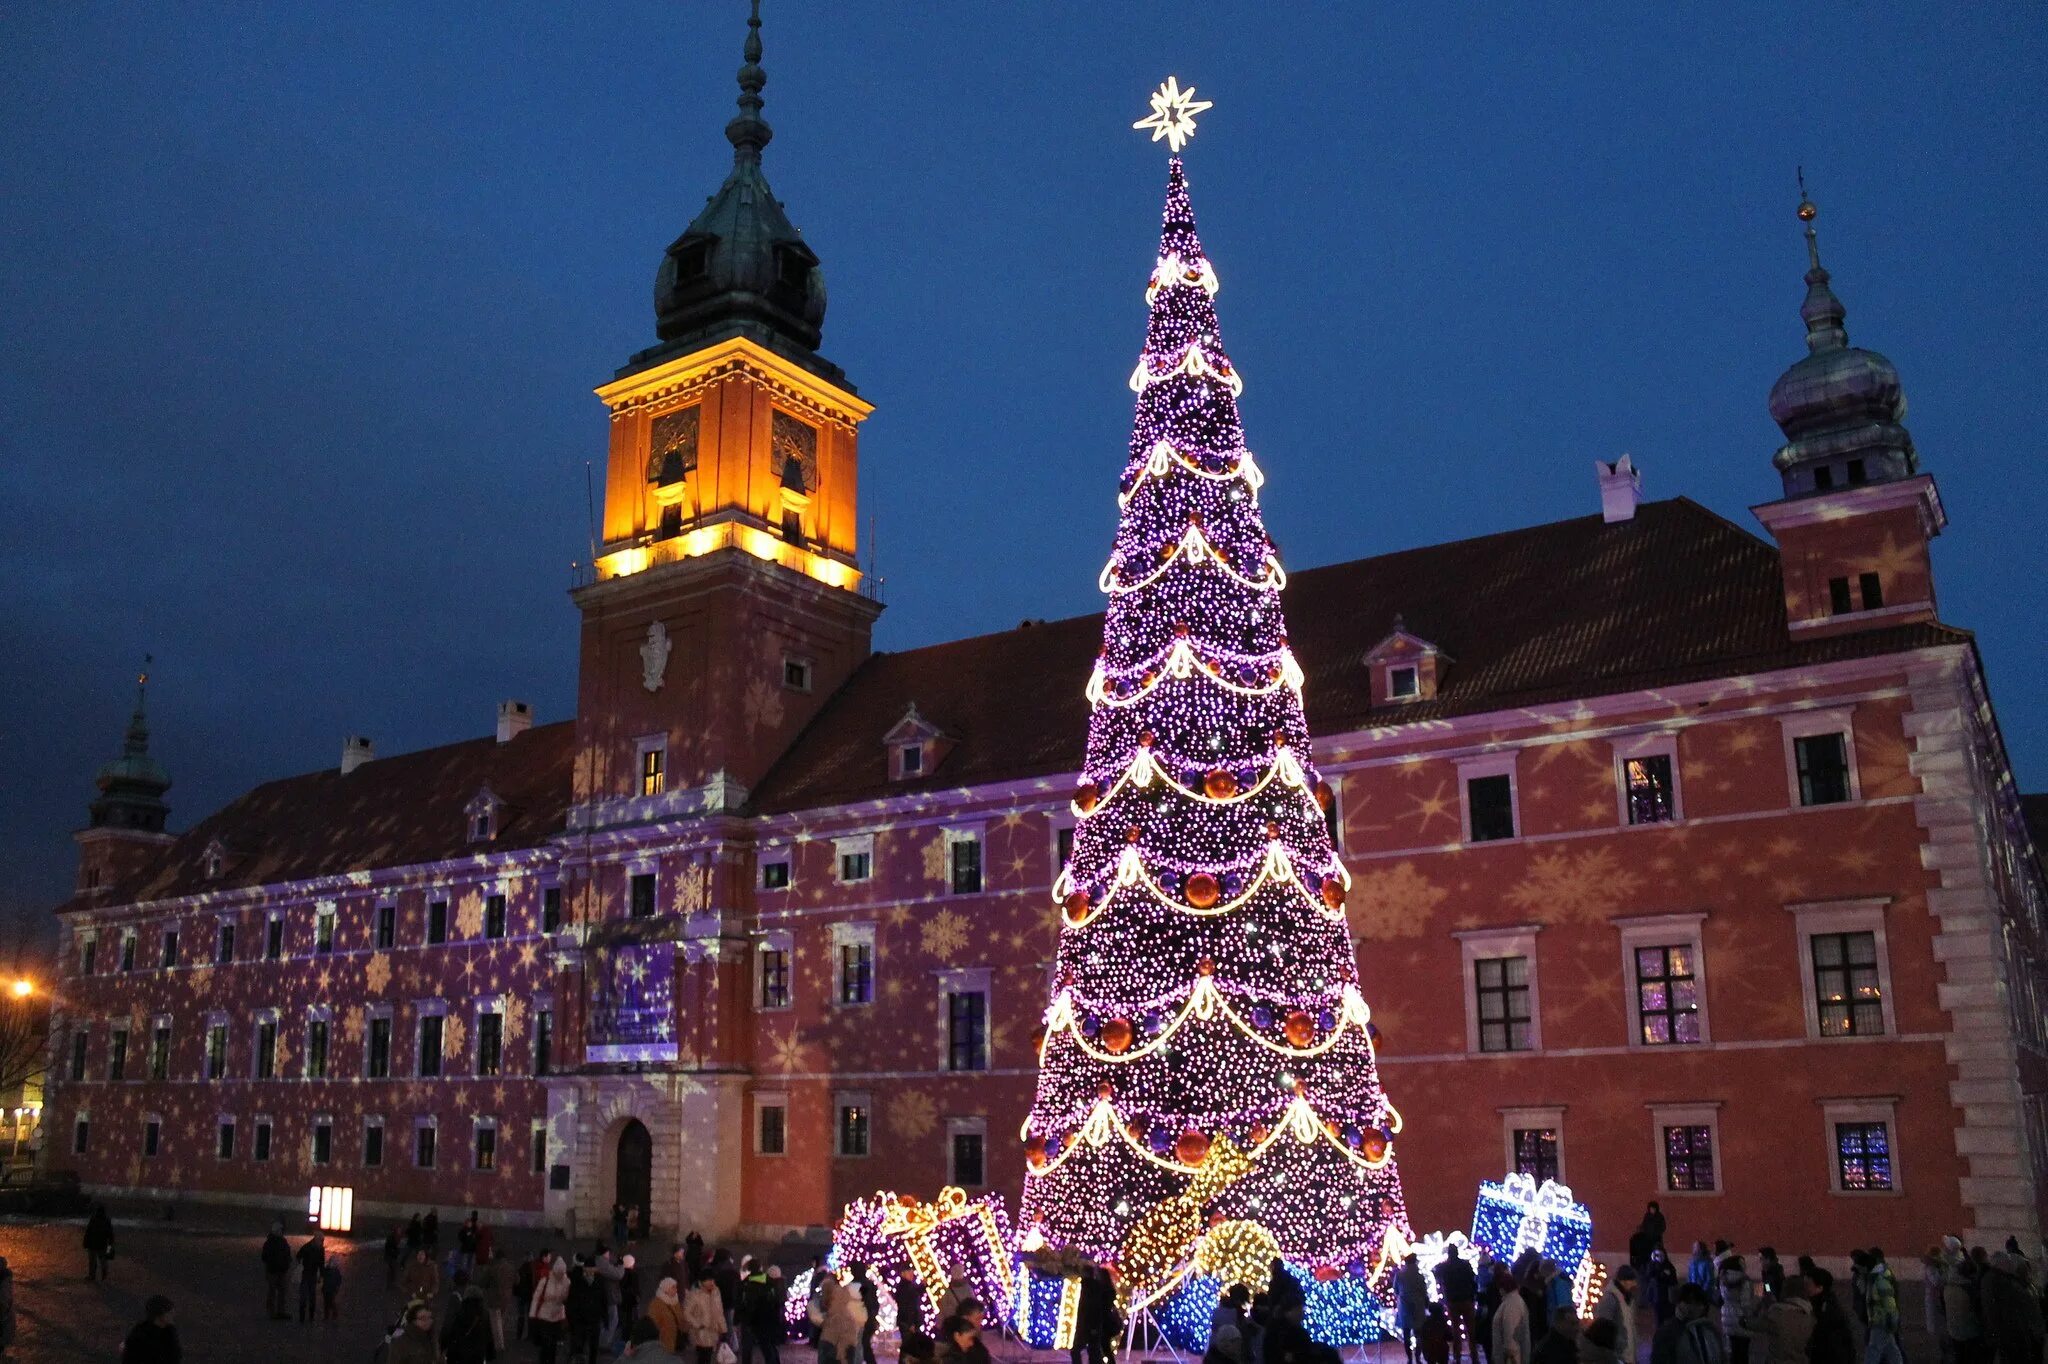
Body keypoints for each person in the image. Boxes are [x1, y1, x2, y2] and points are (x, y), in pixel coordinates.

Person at [1980, 1252, 2044, 1364]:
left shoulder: (1995, 1279)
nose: (2010, 1264)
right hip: (2013, 1333)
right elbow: (2019, 1307)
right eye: (2008, 1262)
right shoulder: (2004, 1282)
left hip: (2011, 1333)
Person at [1649, 1284, 1721, 1364]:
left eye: (1697, 1303)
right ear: (1679, 1303)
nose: (1692, 1307)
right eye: (1688, 1302)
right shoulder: (1667, 1332)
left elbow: (1720, 1357)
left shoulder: (1710, 1330)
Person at [1439, 1250, 1480, 1364]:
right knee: (1471, 1330)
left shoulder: (1444, 1267)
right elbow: (1473, 1280)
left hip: (1452, 1302)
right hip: (1467, 1300)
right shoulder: (1465, 1264)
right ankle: (1474, 1357)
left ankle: (1457, 1358)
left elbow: (1439, 1276)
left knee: (1455, 1331)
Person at [1804, 1272, 1853, 1364]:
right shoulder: (1821, 1303)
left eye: (1808, 1284)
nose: (1805, 1288)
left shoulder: (1827, 1309)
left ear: (1820, 1287)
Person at [443, 1278, 495, 1364]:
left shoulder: (461, 1311)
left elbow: (452, 1332)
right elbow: (488, 1334)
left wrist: (446, 1350)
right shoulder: (484, 1313)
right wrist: (490, 1354)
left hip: (461, 1353)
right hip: (478, 1353)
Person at [740, 1265, 786, 1364]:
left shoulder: (768, 1286)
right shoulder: (779, 1285)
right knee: (770, 1347)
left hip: (765, 1321)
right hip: (772, 1321)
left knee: (767, 1347)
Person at [1594, 1265, 1639, 1364]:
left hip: (1628, 1354)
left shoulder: (1628, 1297)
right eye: (1632, 1281)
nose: (1635, 1284)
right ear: (1623, 1281)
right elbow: (1602, 1330)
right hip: (1618, 1356)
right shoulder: (1610, 1299)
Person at [569, 1259, 610, 1364]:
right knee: (581, 1345)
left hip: (593, 1318)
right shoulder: (579, 1281)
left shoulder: (599, 1280)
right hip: (582, 1319)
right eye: (589, 1268)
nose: (591, 1270)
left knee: (593, 1346)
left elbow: (603, 1299)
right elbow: (573, 1301)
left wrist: (605, 1318)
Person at [531, 1256, 571, 1364]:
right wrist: (533, 1315)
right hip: (544, 1316)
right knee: (546, 1344)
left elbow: (567, 1299)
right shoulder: (546, 1280)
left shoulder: (566, 1282)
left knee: (553, 1344)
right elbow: (536, 1297)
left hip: (557, 1317)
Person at [120, 1295, 182, 1364]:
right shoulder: (140, 1334)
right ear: (160, 1314)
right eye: (169, 1312)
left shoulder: (170, 1332)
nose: (173, 1315)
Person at [1718, 1256, 1756, 1364]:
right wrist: (1751, 1317)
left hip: (1727, 1318)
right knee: (1743, 1353)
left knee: (1733, 1352)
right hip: (1741, 1319)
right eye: (1743, 1263)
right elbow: (1746, 1303)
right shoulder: (1745, 1281)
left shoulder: (1723, 1278)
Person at [685, 1275, 728, 1364]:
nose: (711, 1282)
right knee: (703, 1357)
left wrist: (723, 1329)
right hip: (700, 1333)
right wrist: (698, 1323)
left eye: (712, 1279)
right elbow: (687, 1313)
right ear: (702, 1282)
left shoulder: (716, 1293)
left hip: (713, 1331)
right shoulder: (695, 1295)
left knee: (709, 1357)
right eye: (708, 1280)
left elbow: (719, 1312)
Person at [387, 1299, 443, 1364]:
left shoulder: (434, 1339)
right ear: (413, 1321)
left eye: (429, 1317)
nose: (428, 1321)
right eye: (423, 1318)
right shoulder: (401, 1343)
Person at [1492, 1273, 1532, 1364]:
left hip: (1511, 1357)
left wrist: (1510, 1354)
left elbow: (1511, 1328)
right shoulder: (1513, 1301)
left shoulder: (1511, 1304)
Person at [849, 1263, 881, 1364]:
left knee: (862, 1345)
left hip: (863, 1320)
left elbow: (868, 1302)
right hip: (867, 1319)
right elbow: (873, 1303)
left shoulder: (860, 1285)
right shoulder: (867, 1284)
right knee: (863, 1345)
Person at [261, 1221, 293, 1320]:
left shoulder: (281, 1241)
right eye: (280, 1230)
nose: (281, 1232)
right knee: (273, 1291)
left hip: (280, 1270)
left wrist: (287, 1262)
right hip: (274, 1270)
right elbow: (265, 1256)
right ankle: (272, 1312)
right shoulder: (271, 1243)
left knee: (281, 1292)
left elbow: (287, 1253)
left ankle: (279, 1311)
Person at [85, 1204, 116, 1281]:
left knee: (93, 1262)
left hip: (93, 1244)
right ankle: (103, 1275)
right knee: (103, 1261)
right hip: (102, 1244)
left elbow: (88, 1232)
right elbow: (110, 1234)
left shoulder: (93, 1219)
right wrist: (110, 1244)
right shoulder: (106, 1221)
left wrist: (86, 1242)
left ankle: (92, 1276)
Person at [322, 1252, 344, 1322]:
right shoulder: (328, 1270)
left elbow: (339, 1280)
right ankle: (327, 1316)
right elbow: (323, 1275)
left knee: (330, 1302)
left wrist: (337, 1287)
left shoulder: (335, 1271)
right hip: (326, 1288)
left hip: (331, 1289)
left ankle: (333, 1313)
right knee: (326, 1302)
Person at [387, 1225, 406, 1290]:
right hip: (391, 1256)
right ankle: (391, 1284)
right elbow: (390, 1248)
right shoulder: (392, 1238)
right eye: (399, 1230)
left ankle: (391, 1283)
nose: (400, 1231)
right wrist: (396, 1251)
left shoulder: (396, 1237)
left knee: (392, 1270)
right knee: (392, 1270)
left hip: (392, 1256)